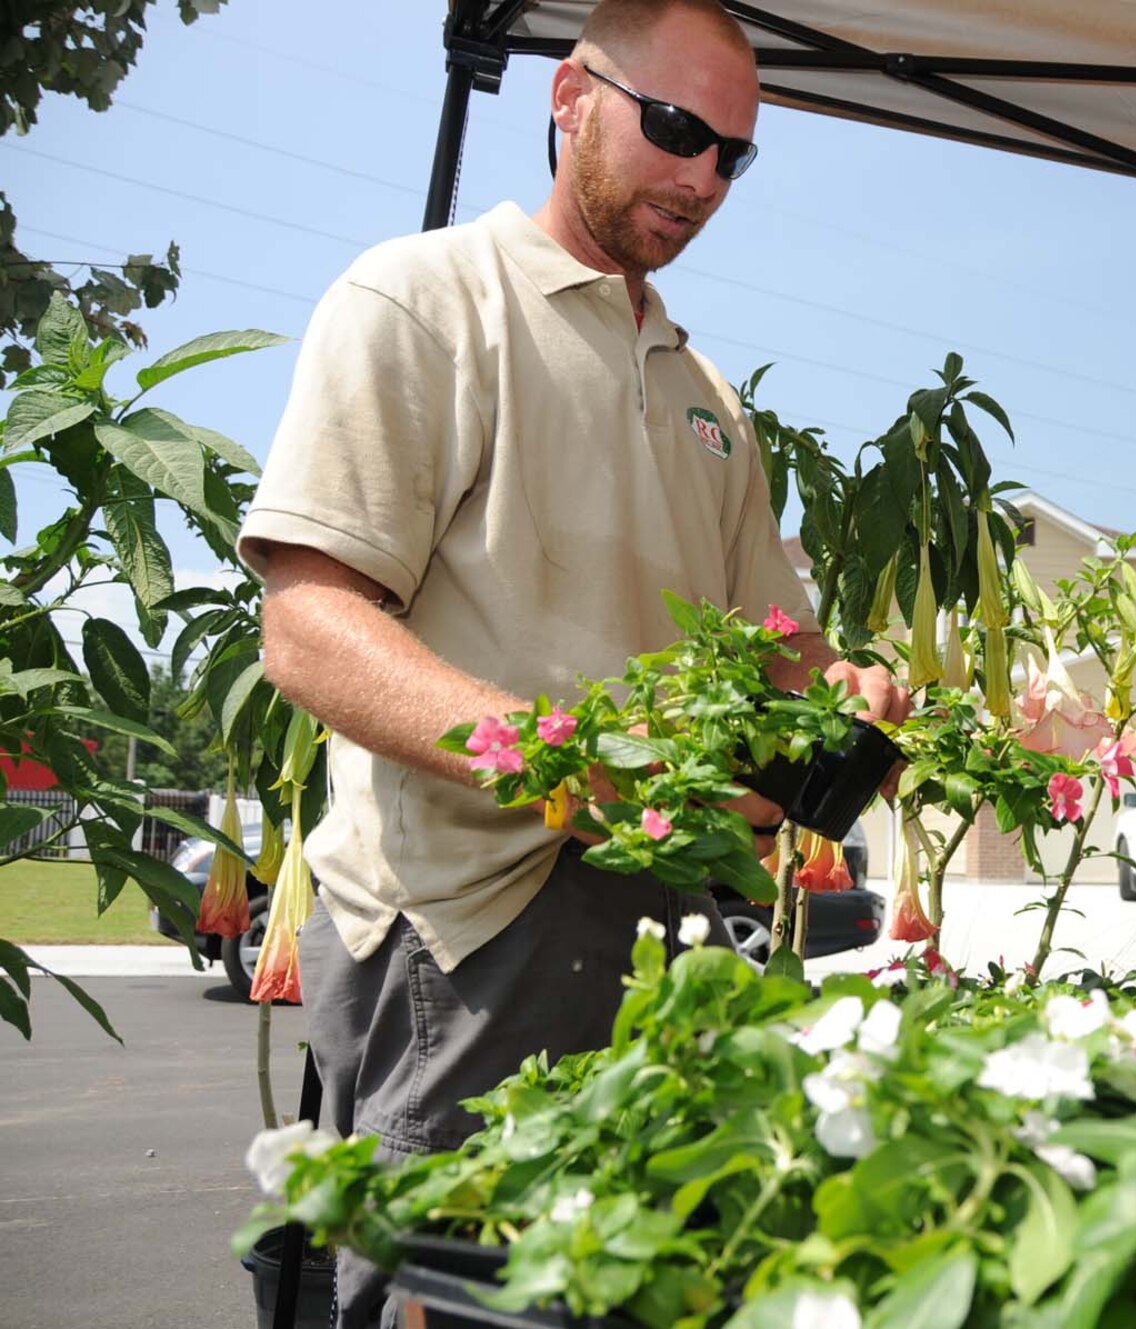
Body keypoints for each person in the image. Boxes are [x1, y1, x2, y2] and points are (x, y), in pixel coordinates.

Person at [238, 3, 908, 1323]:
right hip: (473, 926)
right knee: (462, 1291)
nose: (703, 178)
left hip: (676, 920)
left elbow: (784, 659)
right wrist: (567, 765)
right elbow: (310, 624)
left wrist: (850, 698)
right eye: (676, 130)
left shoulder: (706, 394)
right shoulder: (426, 300)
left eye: (734, 156)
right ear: (569, 96)